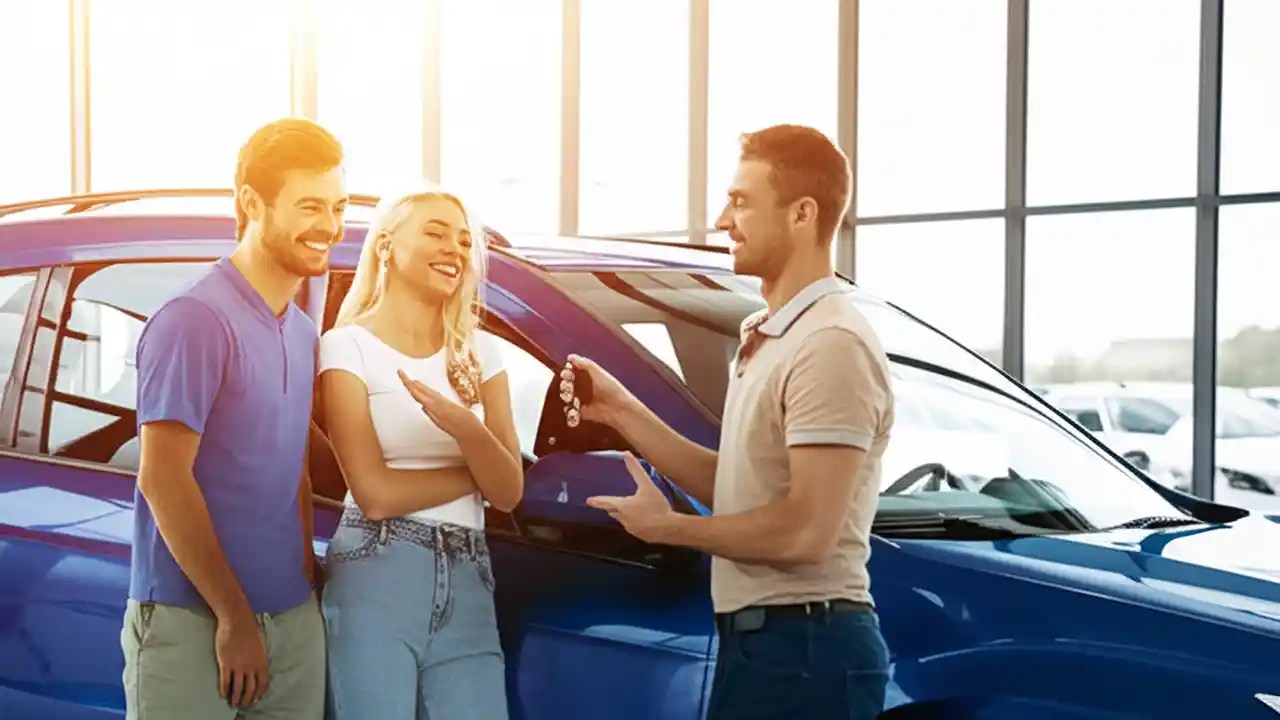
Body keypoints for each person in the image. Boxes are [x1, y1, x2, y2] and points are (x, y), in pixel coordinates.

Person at [574, 124, 894, 718]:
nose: (724, 220)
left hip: (807, 652)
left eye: (742, 202)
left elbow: (805, 533)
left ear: (802, 214)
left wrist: (670, 529)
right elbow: (740, 488)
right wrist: (621, 411)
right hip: (766, 647)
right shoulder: (769, 336)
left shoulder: (830, 343)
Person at [123, 117, 347, 719]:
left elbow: (292, 466)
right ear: (251, 203)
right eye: (309, 206)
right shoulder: (193, 318)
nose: (330, 225)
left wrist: (304, 579)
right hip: (193, 622)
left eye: (337, 206)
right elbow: (162, 478)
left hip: (290, 620)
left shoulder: (302, 332)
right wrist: (233, 615)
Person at [317, 184, 522, 719]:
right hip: (376, 568)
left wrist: (469, 432)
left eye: (464, 240)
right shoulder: (346, 346)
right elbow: (375, 494)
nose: (455, 249)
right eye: (435, 233)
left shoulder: (481, 350)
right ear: (386, 245)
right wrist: (479, 468)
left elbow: (508, 492)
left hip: (470, 575)